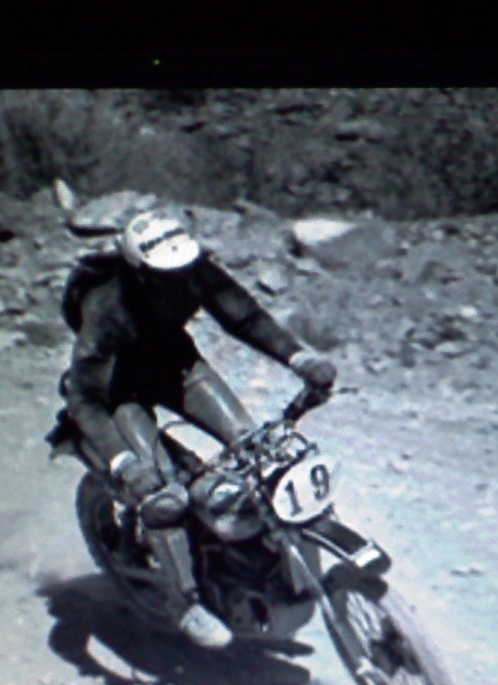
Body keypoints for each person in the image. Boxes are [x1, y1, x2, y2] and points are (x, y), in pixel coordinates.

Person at [58, 210, 336, 649]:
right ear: (138, 272)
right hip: (119, 393)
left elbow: (243, 316)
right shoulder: (106, 308)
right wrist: (126, 463)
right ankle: (184, 602)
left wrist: (299, 359)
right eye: (164, 275)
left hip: (175, 364)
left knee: (260, 451)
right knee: (166, 498)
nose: (177, 281)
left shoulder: (191, 270)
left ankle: (261, 557)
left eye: (182, 270)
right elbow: (84, 397)